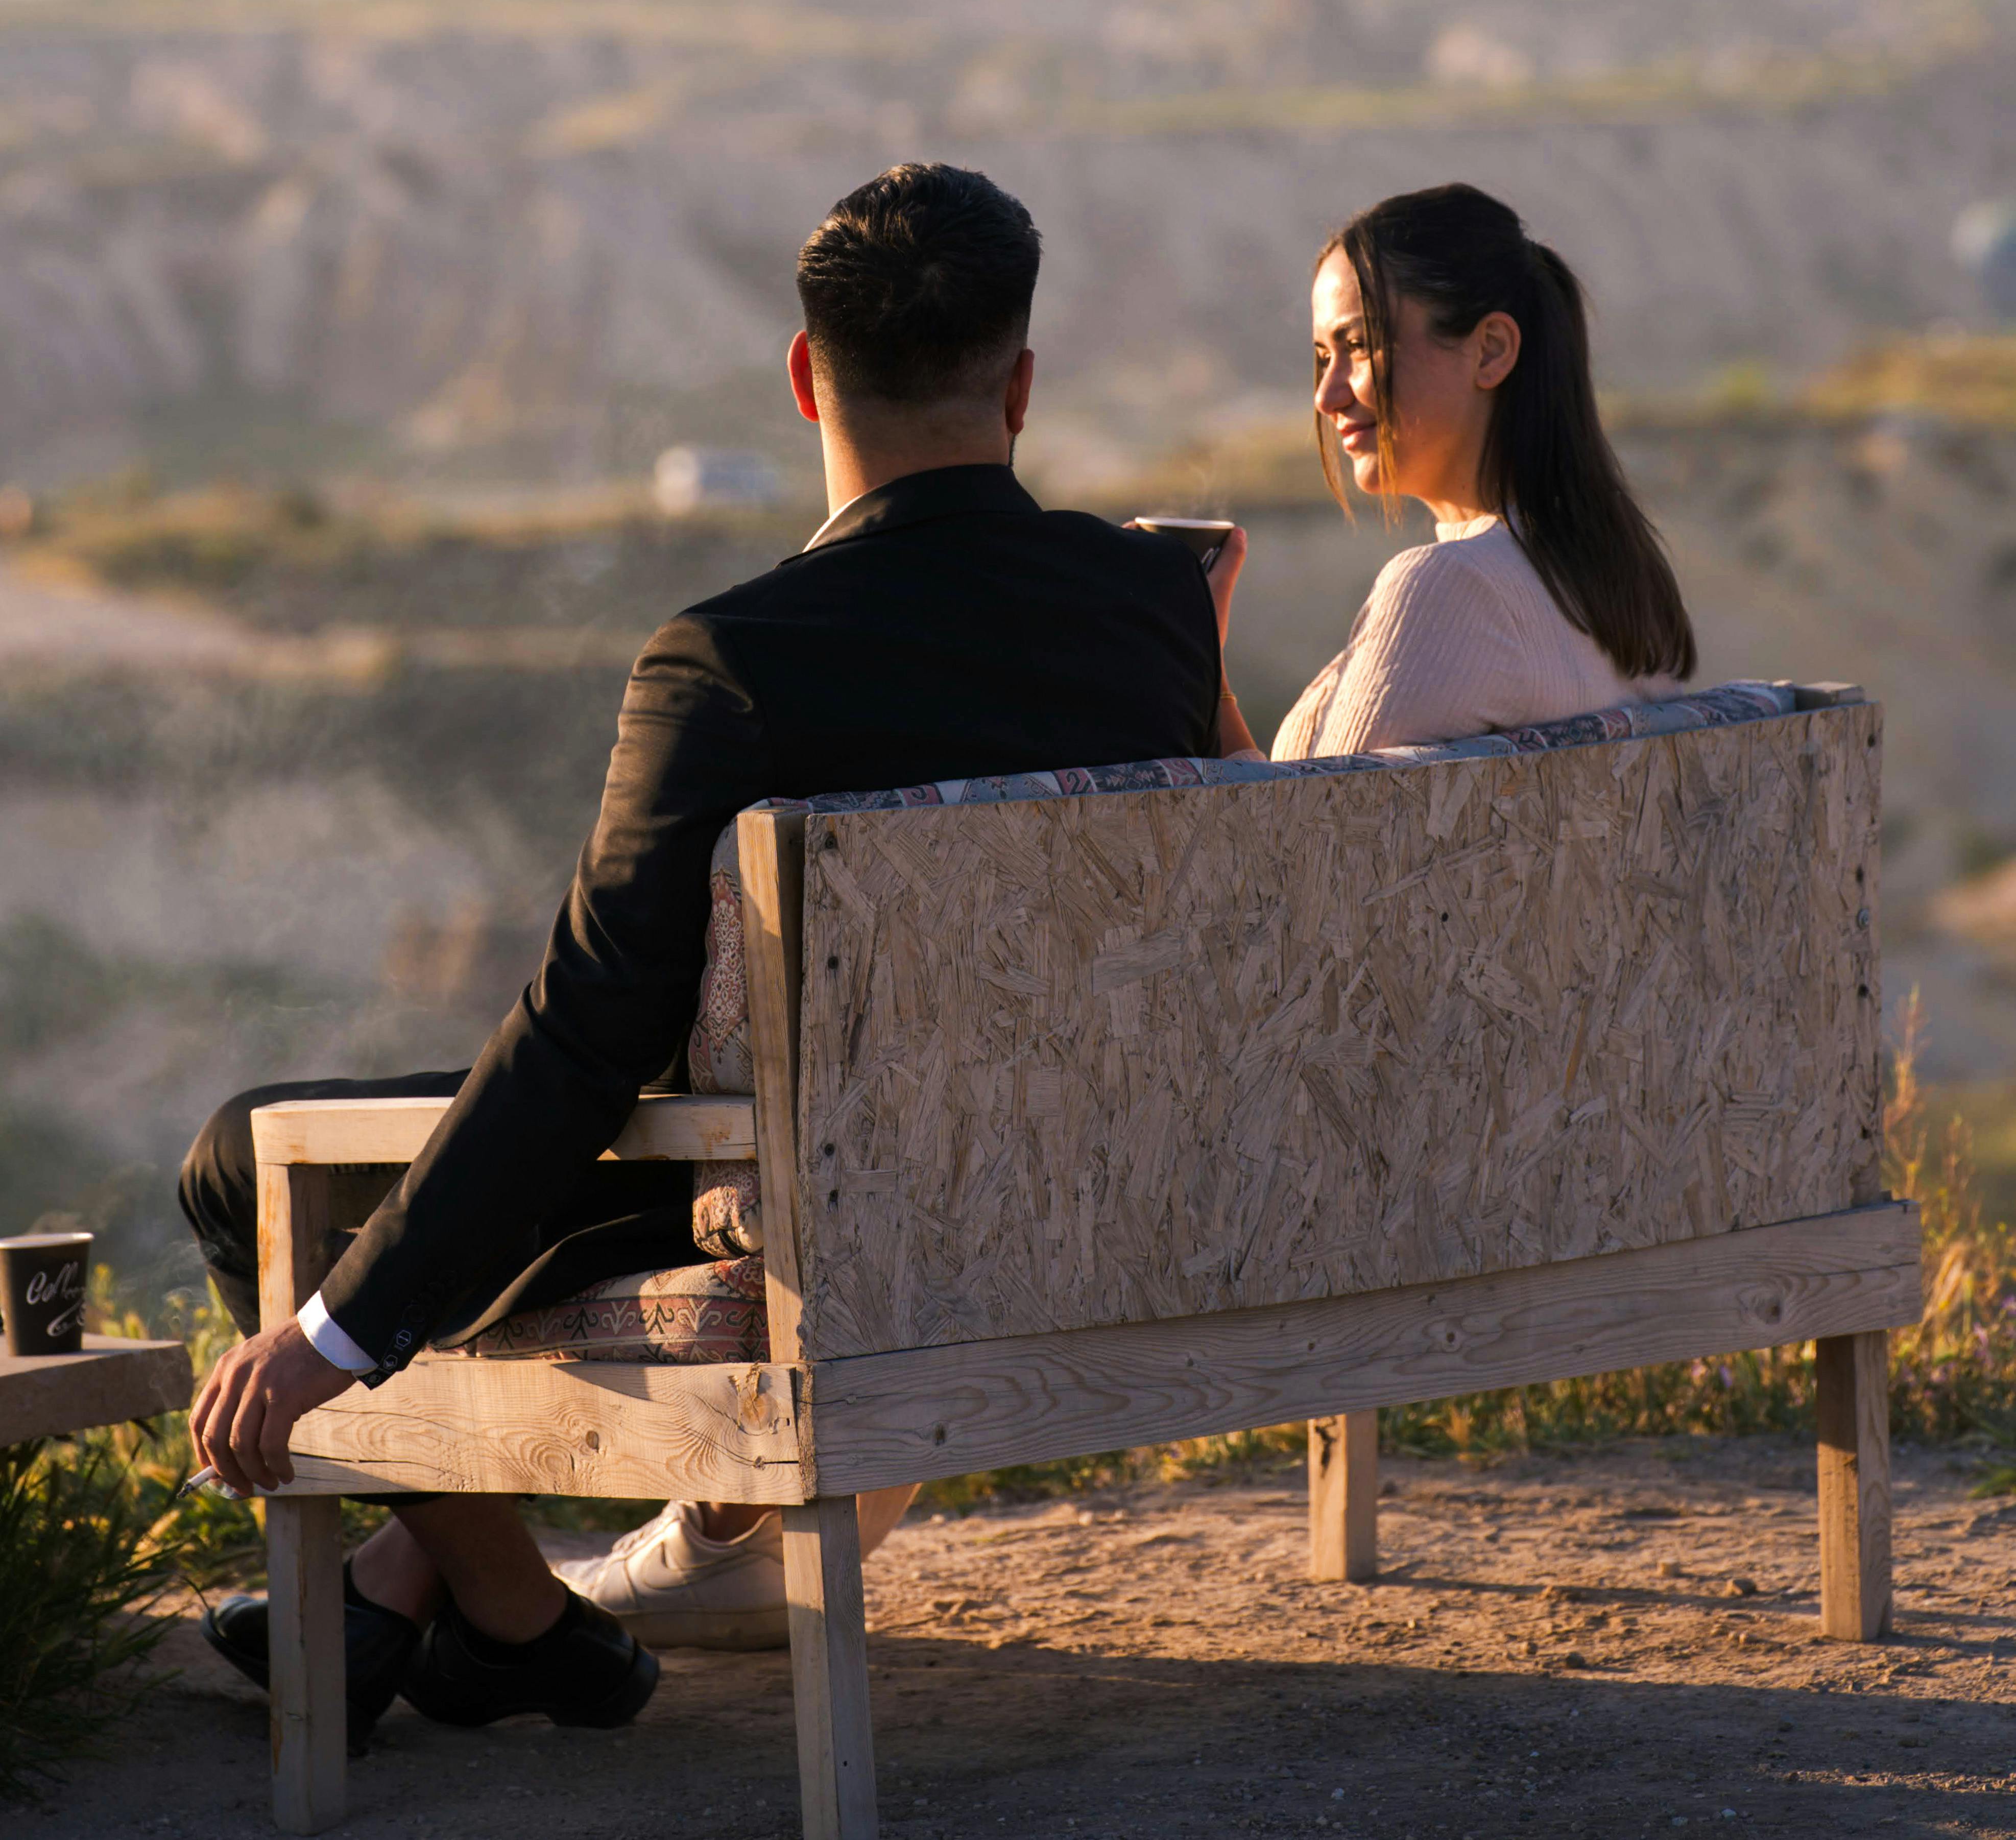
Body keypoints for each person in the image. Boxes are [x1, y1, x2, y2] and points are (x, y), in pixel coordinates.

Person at [183, 161, 1222, 1741]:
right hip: (1081, 1189)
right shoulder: (1157, 601)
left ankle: (504, 1609)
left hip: (802, 1223)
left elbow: (588, 1031)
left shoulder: (732, 656)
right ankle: (486, 1612)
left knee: (234, 1155)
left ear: (804, 375)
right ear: (1019, 384)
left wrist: (335, 1335)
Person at [1215, 182, 1695, 760]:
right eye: (1323, 357)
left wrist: (1196, 676)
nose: (1327, 395)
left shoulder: (1452, 589)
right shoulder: (1622, 583)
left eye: (1360, 345)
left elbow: (1297, 843)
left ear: (1491, 350)